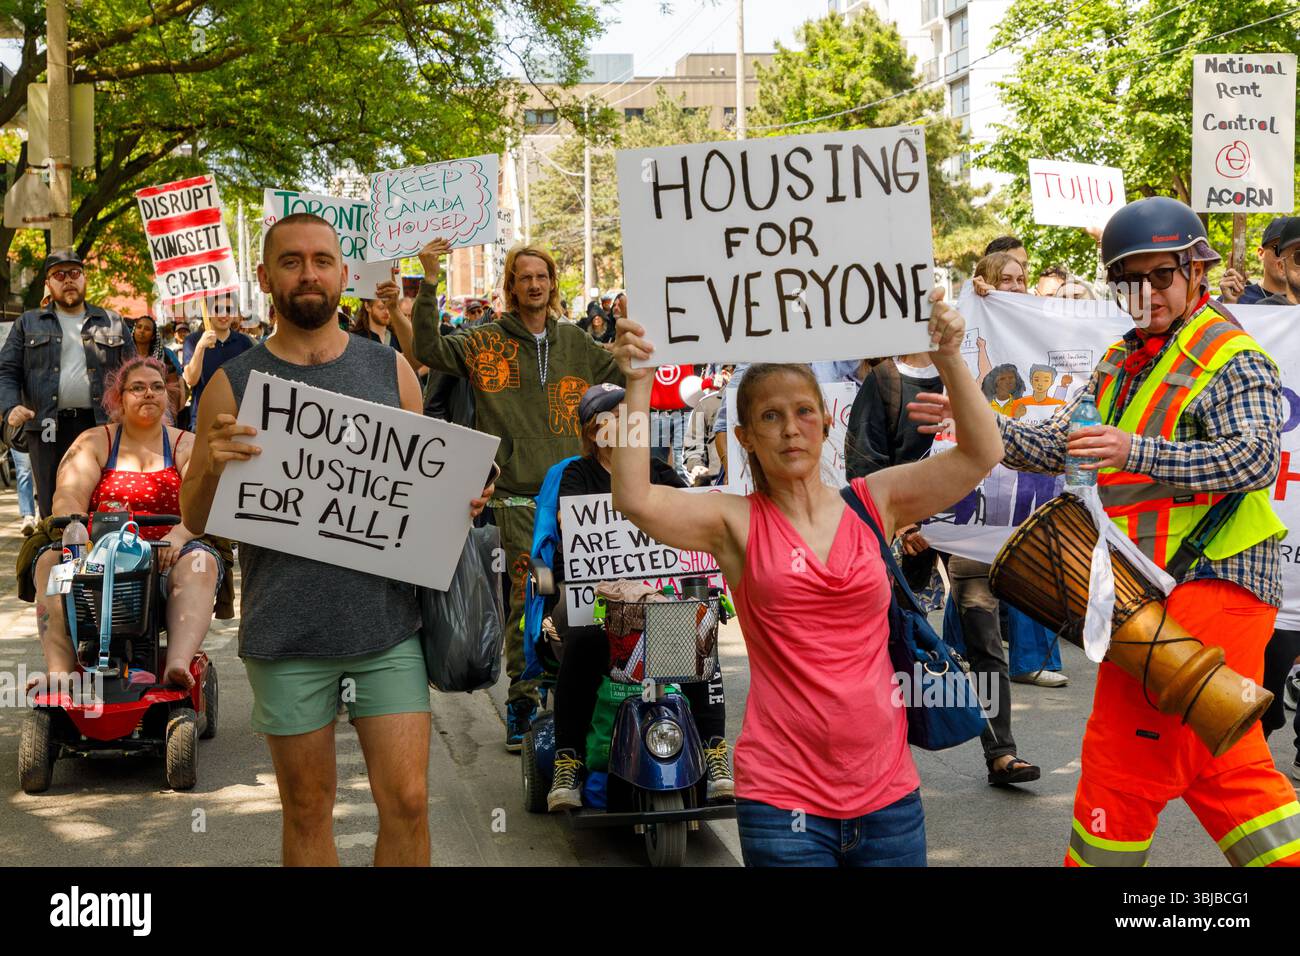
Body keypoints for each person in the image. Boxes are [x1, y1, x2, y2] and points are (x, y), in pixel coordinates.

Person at [913, 196, 1300, 867]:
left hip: (1219, 583)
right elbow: (1052, 446)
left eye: (1160, 276)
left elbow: (1256, 457)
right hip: (1151, 591)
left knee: (1125, 754)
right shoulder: (1123, 357)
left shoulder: (1233, 355)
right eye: (1129, 279)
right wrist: (975, 414)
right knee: (1222, 765)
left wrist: (1135, 451)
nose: (1145, 293)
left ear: (1195, 269)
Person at [609, 291, 1002, 866]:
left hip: (888, 798)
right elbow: (634, 497)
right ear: (744, 437)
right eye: (770, 416)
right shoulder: (733, 522)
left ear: (824, 423)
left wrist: (947, 356)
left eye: (803, 412)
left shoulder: (876, 501)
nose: (790, 429)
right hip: (782, 801)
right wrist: (638, 385)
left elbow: (981, 452)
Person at [180, 212, 494, 867]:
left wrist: (461, 501)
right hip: (285, 633)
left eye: (322, 259)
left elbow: (424, 496)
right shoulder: (231, 386)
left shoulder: (391, 371)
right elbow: (200, 520)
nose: (309, 273)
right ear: (265, 277)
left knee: (408, 802)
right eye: (291, 261)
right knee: (307, 810)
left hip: (387, 630)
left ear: (345, 274)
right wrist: (208, 462)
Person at [412, 238, 622, 750]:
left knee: (594, 596)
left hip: (580, 497)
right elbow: (428, 350)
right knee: (530, 594)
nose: (534, 284)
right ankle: (523, 700)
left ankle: (590, 688)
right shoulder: (483, 341)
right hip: (519, 503)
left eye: (542, 277)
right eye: (524, 277)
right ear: (512, 285)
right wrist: (430, 279)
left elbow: (623, 375)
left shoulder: (576, 342)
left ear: (552, 284)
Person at [545, 384, 731, 810]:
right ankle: (568, 758)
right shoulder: (578, 475)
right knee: (588, 636)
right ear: (595, 430)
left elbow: (693, 527)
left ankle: (716, 749)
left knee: (699, 631)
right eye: (617, 417)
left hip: (659, 593)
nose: (631, 423)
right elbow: (579, 541)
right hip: (594, 595)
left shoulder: (660, 472)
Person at [28, 356, 224, 689]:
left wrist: (178, 536)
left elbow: (203, 501)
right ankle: (60, 672)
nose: (149, 394)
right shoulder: (94, 441)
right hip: (97, 556)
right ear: (118, 398)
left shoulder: (185, 444)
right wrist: (76, 533)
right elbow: (68, 495)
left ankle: (176, 665)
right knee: (49, 560)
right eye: (137, 388)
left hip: (168, 555)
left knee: (200, 562)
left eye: (157, 387)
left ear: (168, 395)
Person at [0, 249, 129, 518]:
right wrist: (10, 407)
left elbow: (135, 374)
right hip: (47, 426)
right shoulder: (28, 322)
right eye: (59, 274)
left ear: (84, 279)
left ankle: (99, 558)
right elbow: (6, 370)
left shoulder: (112, 322)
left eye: (74, 273)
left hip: (101, 425)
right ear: (48, 284)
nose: (68, 279)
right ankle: (55, 557)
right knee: (52, 506)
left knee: (104, 503)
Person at [181, 296, 255, 426]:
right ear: (208, 312)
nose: (224, 314)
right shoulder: (193, 341)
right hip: (203, 420)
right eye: (218, 309)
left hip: (237, 419)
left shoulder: (244, 342)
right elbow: (191, 380)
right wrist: (200, 347)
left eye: (229, 309)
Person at [1219, 217, 1293, 305]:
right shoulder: (1237, 297)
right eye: (1280, 249)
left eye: (1297, 253)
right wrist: (1229, 304)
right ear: (1261, 253)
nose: (1288, 258)